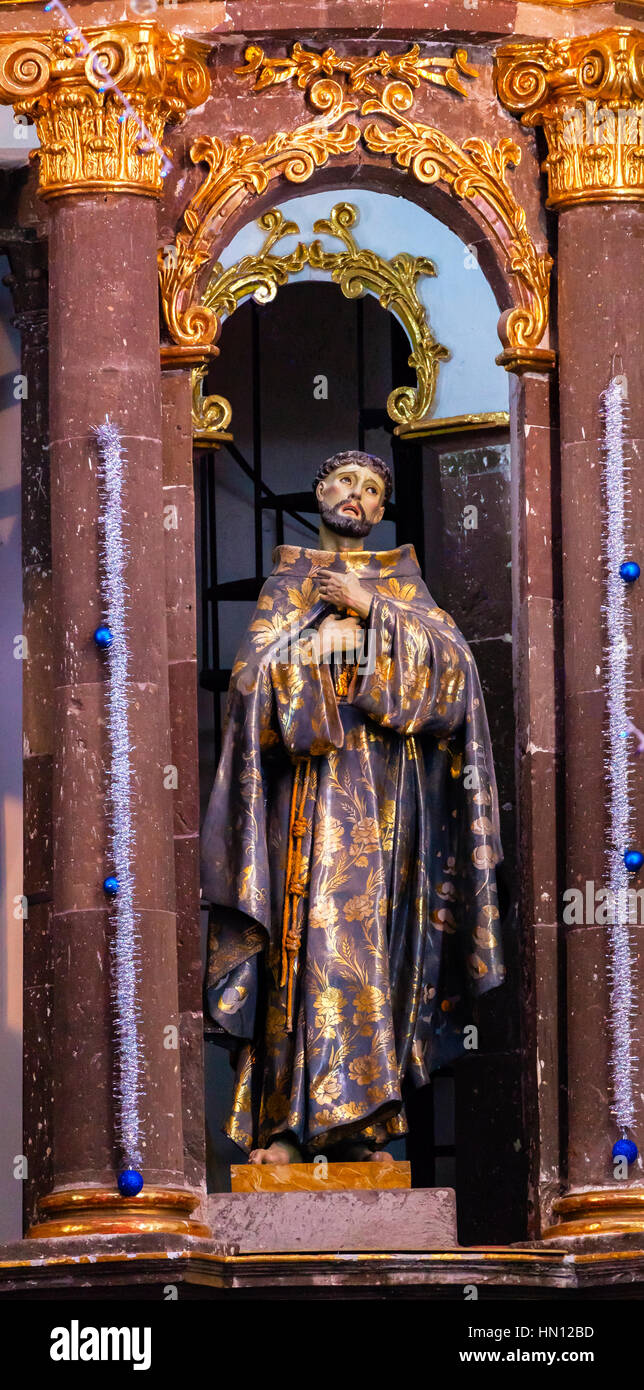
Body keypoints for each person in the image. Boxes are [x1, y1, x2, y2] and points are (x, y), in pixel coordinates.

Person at [201, 449, 505, 1165]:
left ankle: (365, 1125)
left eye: (374, 489)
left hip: (388, 810)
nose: (358, 497)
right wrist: (314, 647)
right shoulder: (289, 584)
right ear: (318, 490)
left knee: (377, 956)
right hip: (303, 805)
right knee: (297, 950)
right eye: (346, 482)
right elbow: (248, 688)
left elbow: (457, 679)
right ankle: (280, 1124)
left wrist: (371, 618)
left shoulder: (402, 585)